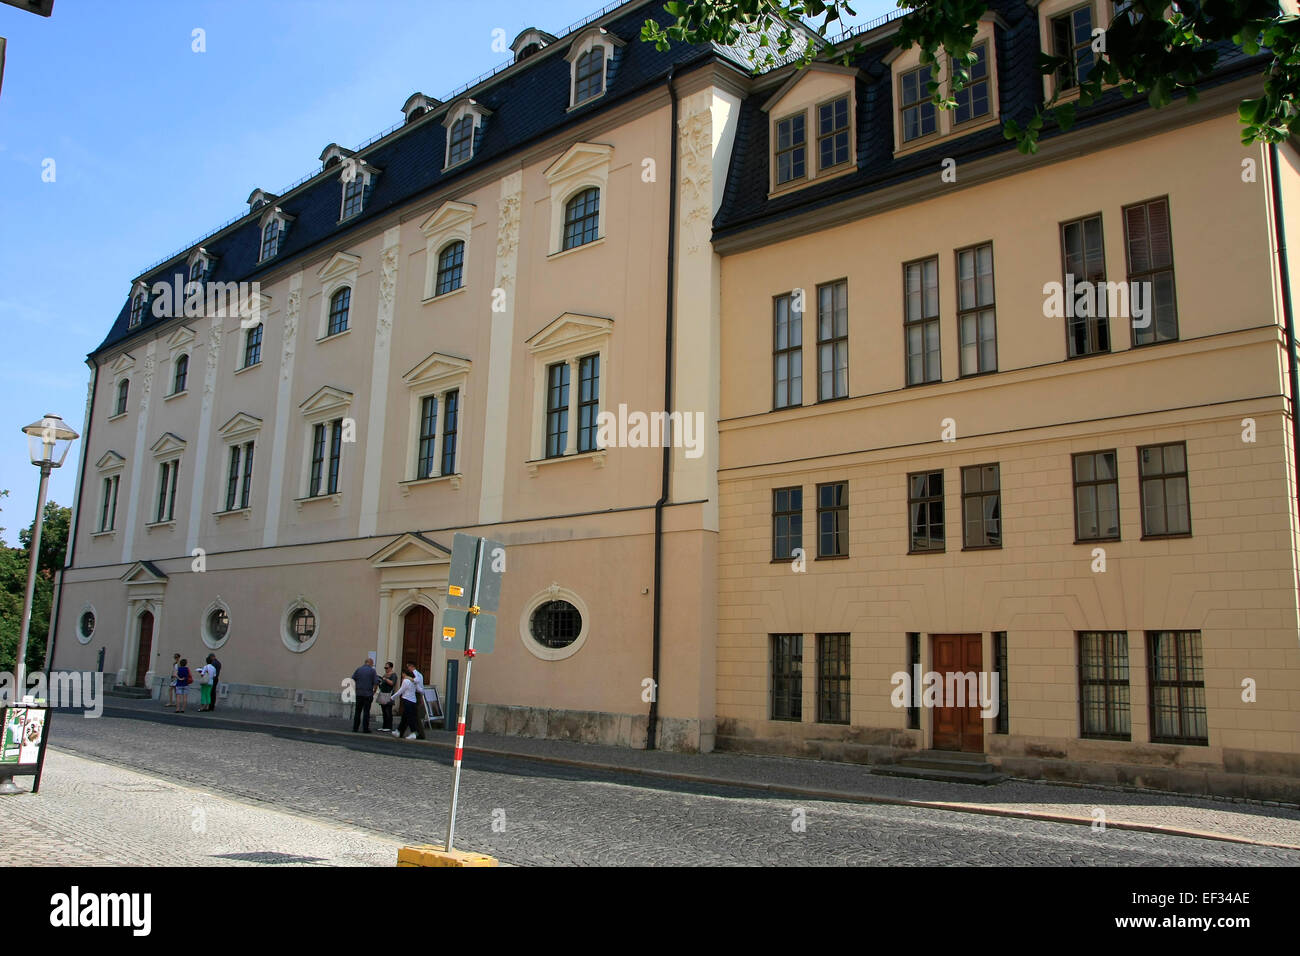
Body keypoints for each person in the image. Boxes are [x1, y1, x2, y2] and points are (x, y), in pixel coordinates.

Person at [393, 665, 422, 740]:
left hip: (407, 700)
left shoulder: (405, 681)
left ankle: (413, 733)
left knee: (409, 718)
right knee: (404, 717)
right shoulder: (413, 681)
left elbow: (401, 691)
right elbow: (419, 689)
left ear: (404, 673)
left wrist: (392, 697)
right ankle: (398, 731)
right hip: (413, 701)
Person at [350, 657, 378, 733]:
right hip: (368, 694)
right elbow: (376, 683)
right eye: (372, 663)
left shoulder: (358, 669)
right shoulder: (372, 671)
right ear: (370, 663)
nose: (372, 665)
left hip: (359, 693)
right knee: (366, 712)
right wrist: (374, 691)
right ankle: (365, 729)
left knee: (357, 712)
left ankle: (355, 728)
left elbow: (353, 679)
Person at [376, 662, 397, 733]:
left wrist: (386, 679)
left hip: (389, 694)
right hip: (383, 693)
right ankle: (384, 726)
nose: (385, 669)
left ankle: (389, 726)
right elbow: (382, 683)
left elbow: (392, 683)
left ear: (391, 668)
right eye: (385, 668)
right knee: (384, 711)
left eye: (387, 668)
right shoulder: (385, 675)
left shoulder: (393, 675)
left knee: (388, 711)